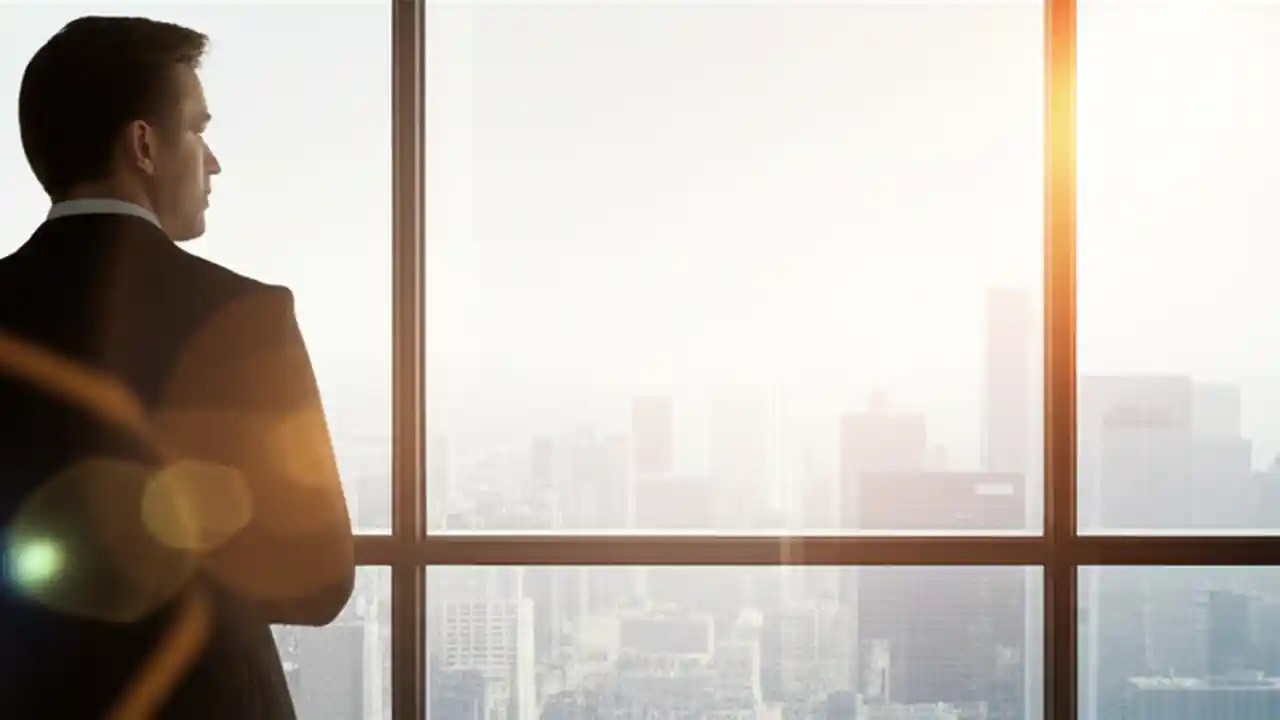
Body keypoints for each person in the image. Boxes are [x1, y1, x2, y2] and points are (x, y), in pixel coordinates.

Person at [0, 15, 354, 718]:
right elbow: (318, 582)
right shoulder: (248, 316)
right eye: (197, 128)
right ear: (144, 145)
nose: (213, 160)